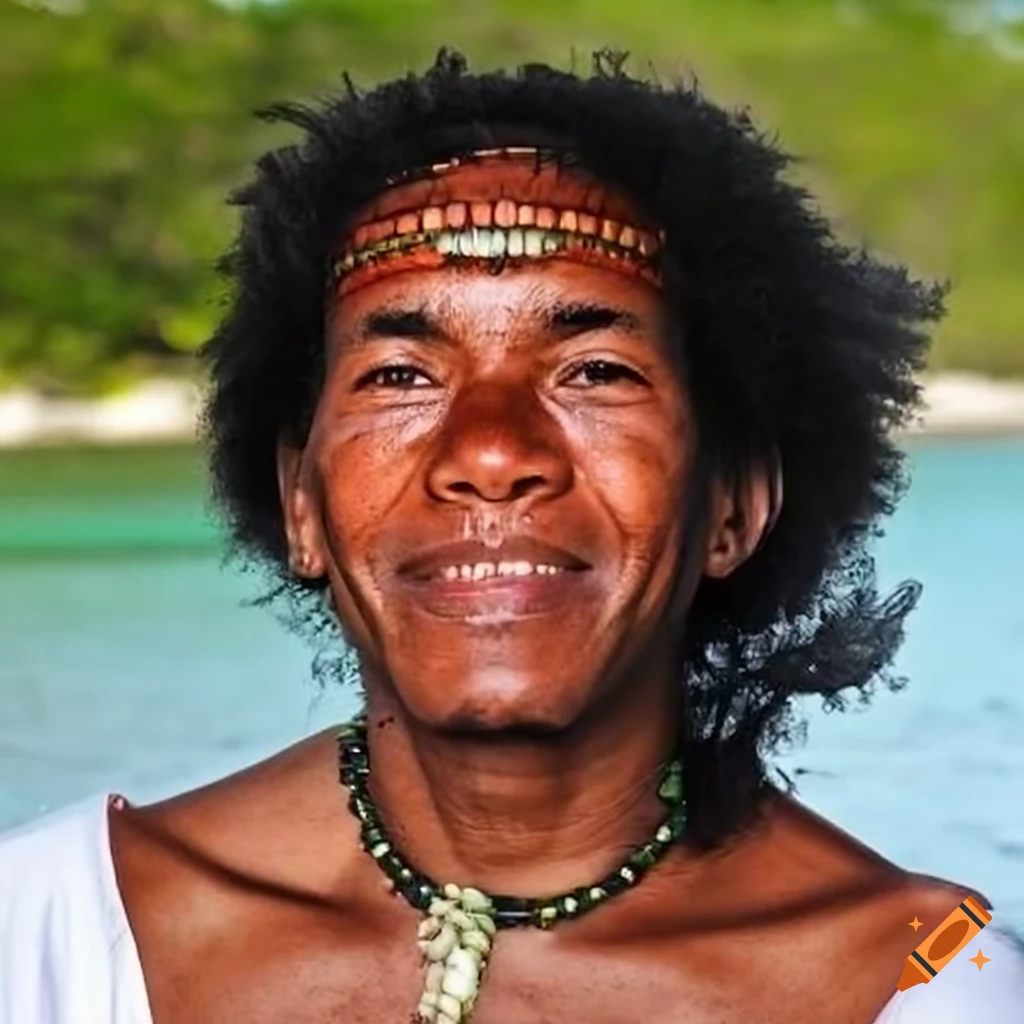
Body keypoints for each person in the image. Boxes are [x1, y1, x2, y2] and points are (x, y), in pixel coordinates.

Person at [1, 49, 1021, 1024]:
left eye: (597, 372)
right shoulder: (46, 931)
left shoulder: (924, 984)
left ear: (734, 504)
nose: (490, 452)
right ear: (300, 503)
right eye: (399, 375)